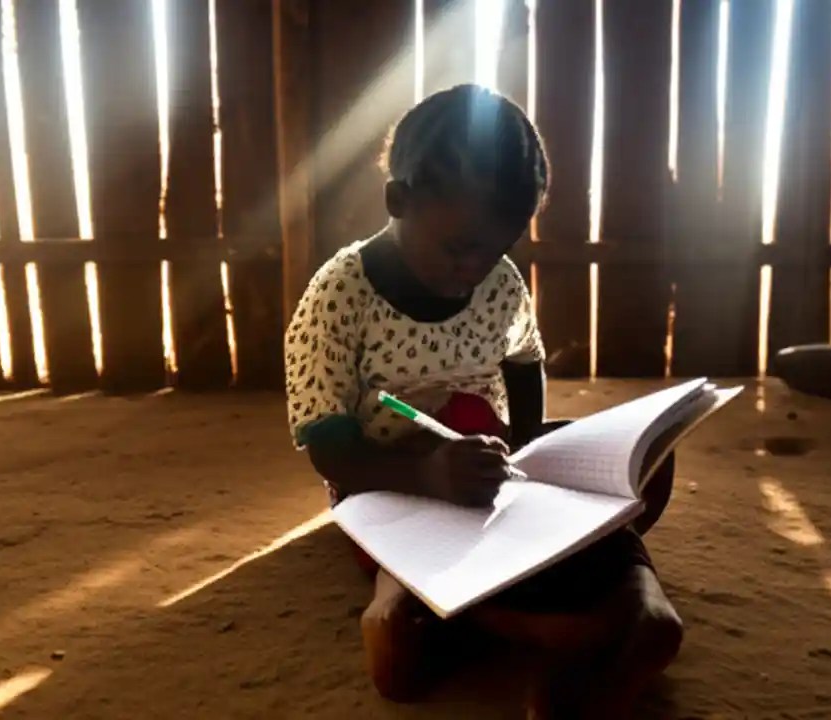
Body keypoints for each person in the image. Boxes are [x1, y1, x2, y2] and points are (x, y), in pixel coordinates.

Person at [283, 84, 682, 718]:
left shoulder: (497, 282)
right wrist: (426, 474)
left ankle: (633, 603)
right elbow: (331, 450)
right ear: (397, 201)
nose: (474, 267)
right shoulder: (339, 296)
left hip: (489, 465)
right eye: (457, 247)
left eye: (495, 248)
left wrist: (529, 444)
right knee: (428, 525)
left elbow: (524, 360)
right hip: (388, 481)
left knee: (642, 465)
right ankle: (410, 607)